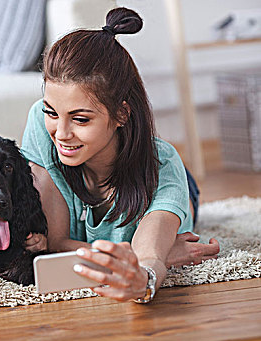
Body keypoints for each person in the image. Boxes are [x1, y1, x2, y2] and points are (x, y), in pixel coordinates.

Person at [21, 7, 220, 303]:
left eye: (81, 119)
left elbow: (148, 257)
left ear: (121, 114)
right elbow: (56, 243)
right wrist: (167, 253)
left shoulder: (161, 166)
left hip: (158, 177)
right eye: (52, 112)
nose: (61, 133)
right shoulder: (41, 123)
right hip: (101, 176)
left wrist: (149, 269)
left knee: (175, 202)